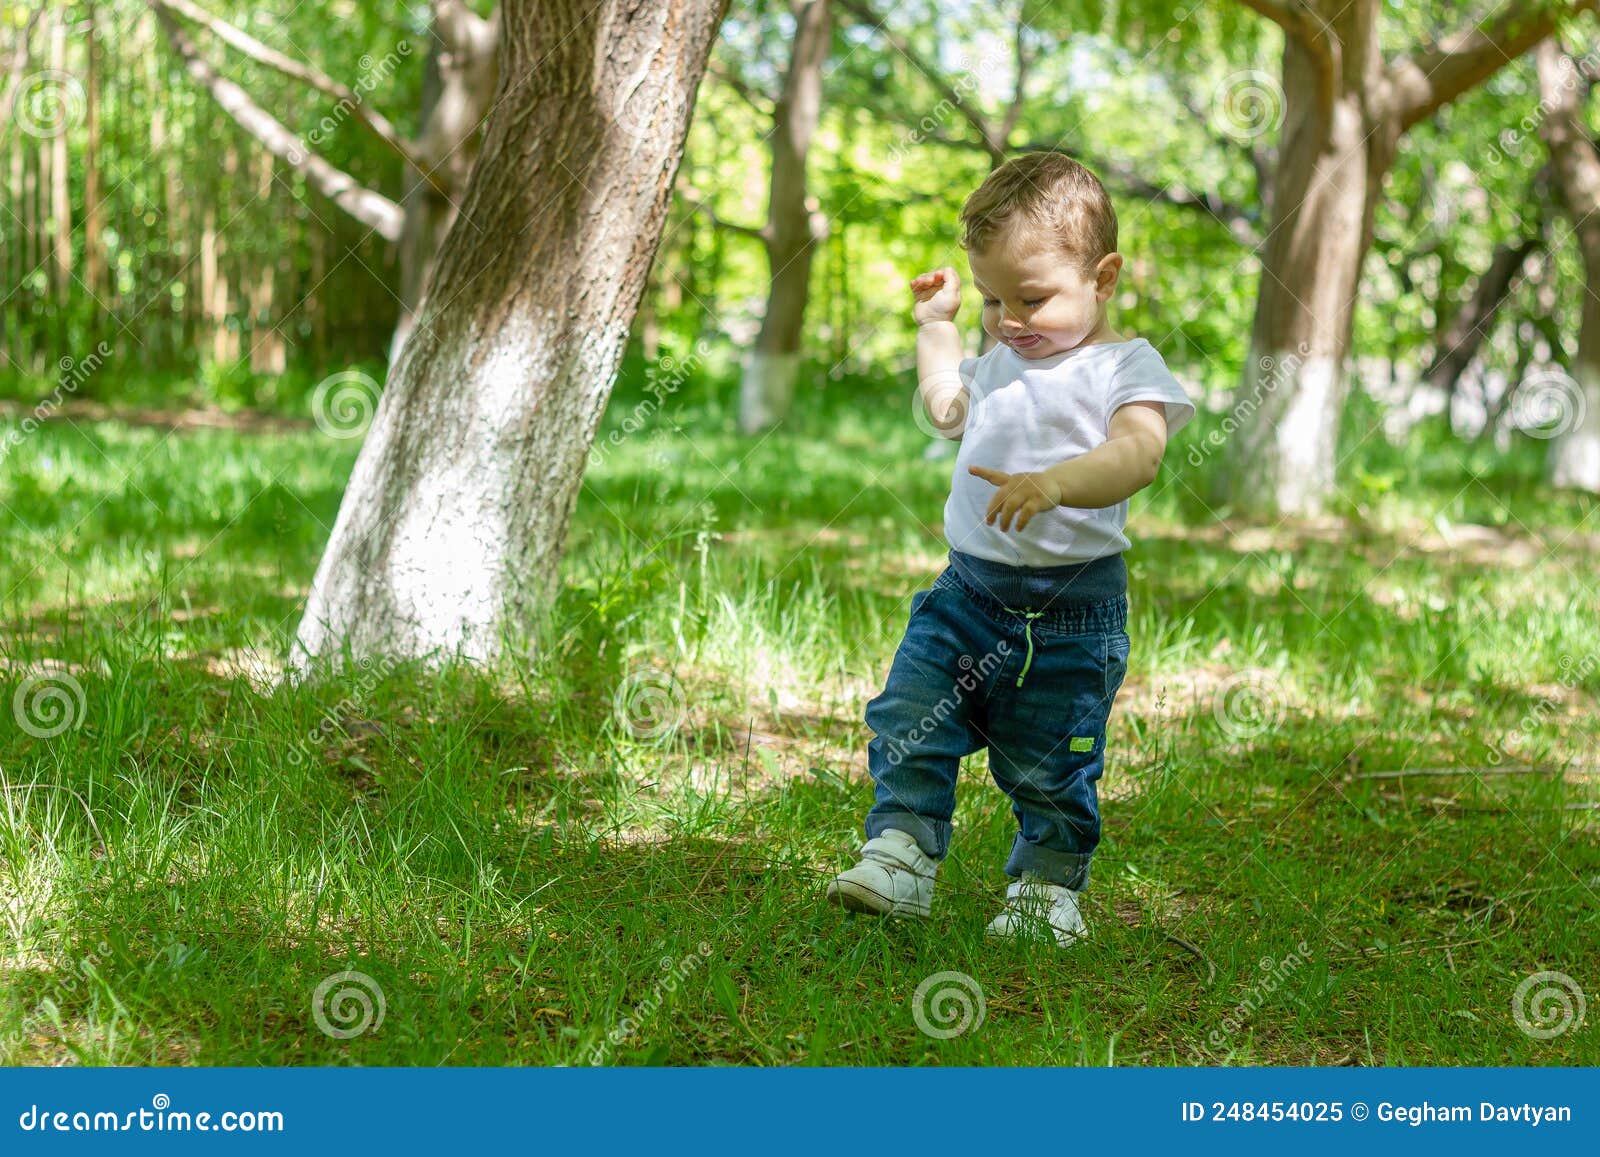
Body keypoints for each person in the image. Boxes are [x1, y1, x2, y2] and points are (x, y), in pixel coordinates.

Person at [825, 152, 1195, 947]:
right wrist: (937, 329)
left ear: (1104, 278)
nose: (1011, 318)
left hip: (1071, 610)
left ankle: (1046, 887)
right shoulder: (997, 361)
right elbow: (944, 407)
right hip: (967, 593)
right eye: (994, 299)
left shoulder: (1123, 365)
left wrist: (1057, 482)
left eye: (1033, 297)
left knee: (1053, 758)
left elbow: (1140, 453)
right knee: (913, 710)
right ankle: (900, 853)